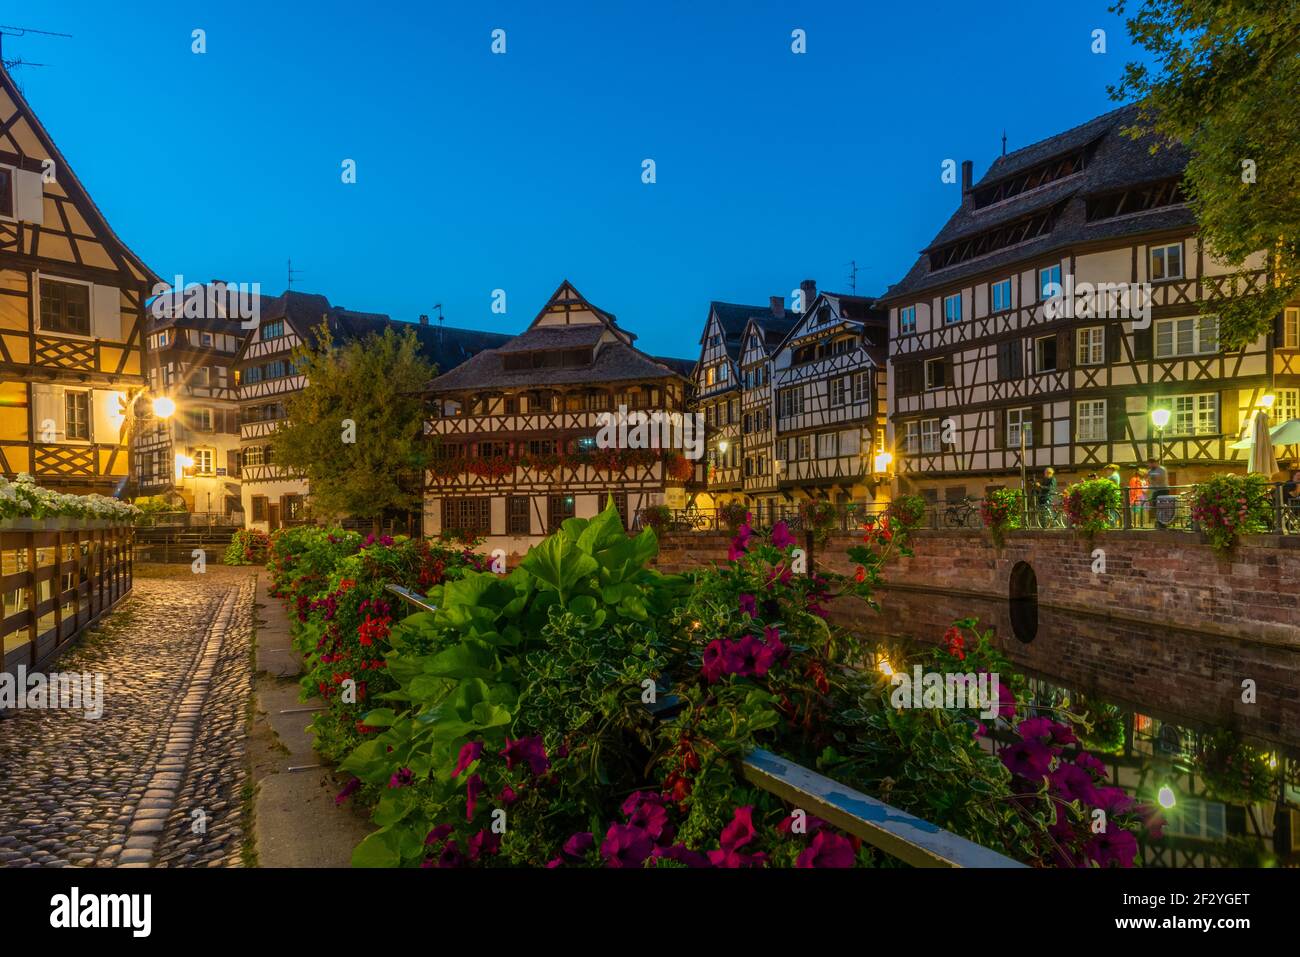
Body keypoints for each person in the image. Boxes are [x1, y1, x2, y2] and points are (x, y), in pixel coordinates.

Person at [1146, 457, 1170, 529]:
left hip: (1162, 490)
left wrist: (1151, 477)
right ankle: (1159, 521)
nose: (1149, 465)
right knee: (1154, 506)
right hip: (1155, 491)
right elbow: (1150, 481)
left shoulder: (1161, 469)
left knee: (1162, 506)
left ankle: (1163, 522)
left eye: (1150, 463)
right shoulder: (1150, 471)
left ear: (1155, 463)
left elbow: (1159, 479)